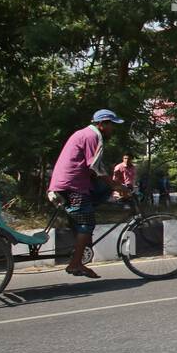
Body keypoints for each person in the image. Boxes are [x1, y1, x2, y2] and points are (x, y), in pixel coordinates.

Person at [47, 109, 129, 277]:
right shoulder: (93, 136)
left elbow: (93, 168)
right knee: (87, 224)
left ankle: (81, 241)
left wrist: (110, 185)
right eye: (111, 125)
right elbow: (96, 167)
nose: (112, 129)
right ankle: (76, 264)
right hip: (73, 186)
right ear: (101, 124)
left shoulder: (84, 133)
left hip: (69, 183)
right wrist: (116, 185)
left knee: (97, 197)